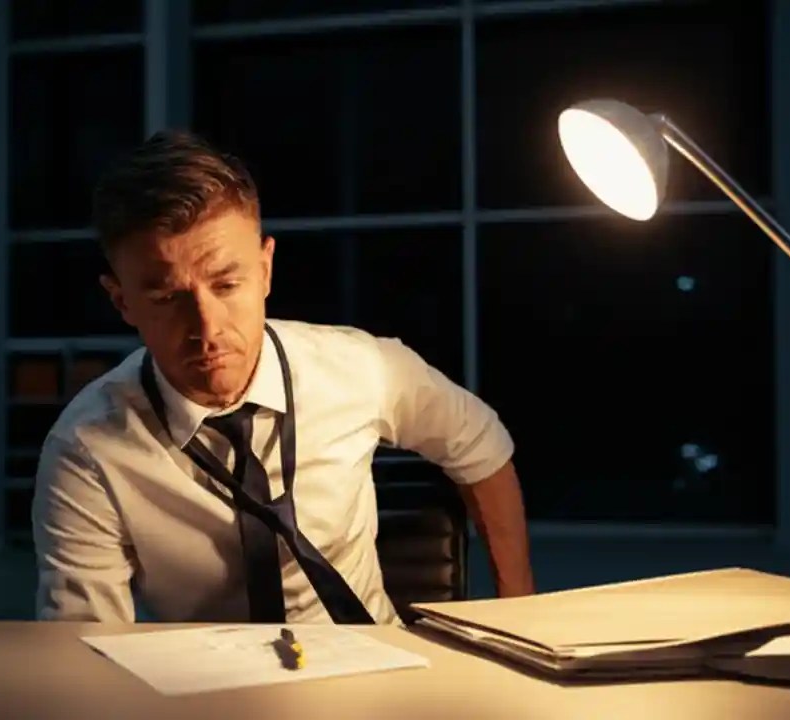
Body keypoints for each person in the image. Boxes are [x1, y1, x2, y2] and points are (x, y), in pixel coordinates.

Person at [32, 130, 534, 625]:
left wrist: (519, 616)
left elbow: (480, 442)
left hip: (377, 674)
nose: (207, 328)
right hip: (207, 692)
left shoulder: (359, 367)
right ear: (122, 301)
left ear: (266, 270)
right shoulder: (86, 450)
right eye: (167, 299)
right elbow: (85, 643)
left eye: (227, 284)